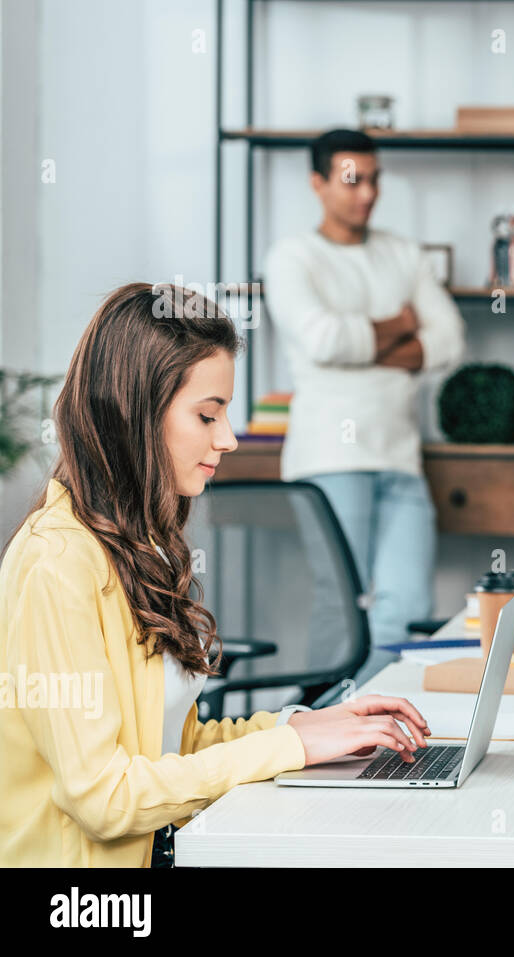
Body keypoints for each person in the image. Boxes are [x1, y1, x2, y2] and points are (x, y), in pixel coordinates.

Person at [0, 283, 432, 867]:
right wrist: (290, 747)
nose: (227, 439)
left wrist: (305, 726)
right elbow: (103, 797)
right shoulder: (57, 566)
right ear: (134, 413)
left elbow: (174, 749)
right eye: (207, 414)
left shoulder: (136, 545)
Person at [264, 129, 465, 677]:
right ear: (318, 184)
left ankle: (378, 723)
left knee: (408, 607)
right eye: (354, 180)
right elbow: (324, 339)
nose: (368, 193)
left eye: (374, 180)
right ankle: (325, 728)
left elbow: (449, 338)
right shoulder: (292, 258)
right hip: (331, 456)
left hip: (400, 457)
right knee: (343, 605)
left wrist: (369, 343)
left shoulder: (402, 252)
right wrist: (403, 325)